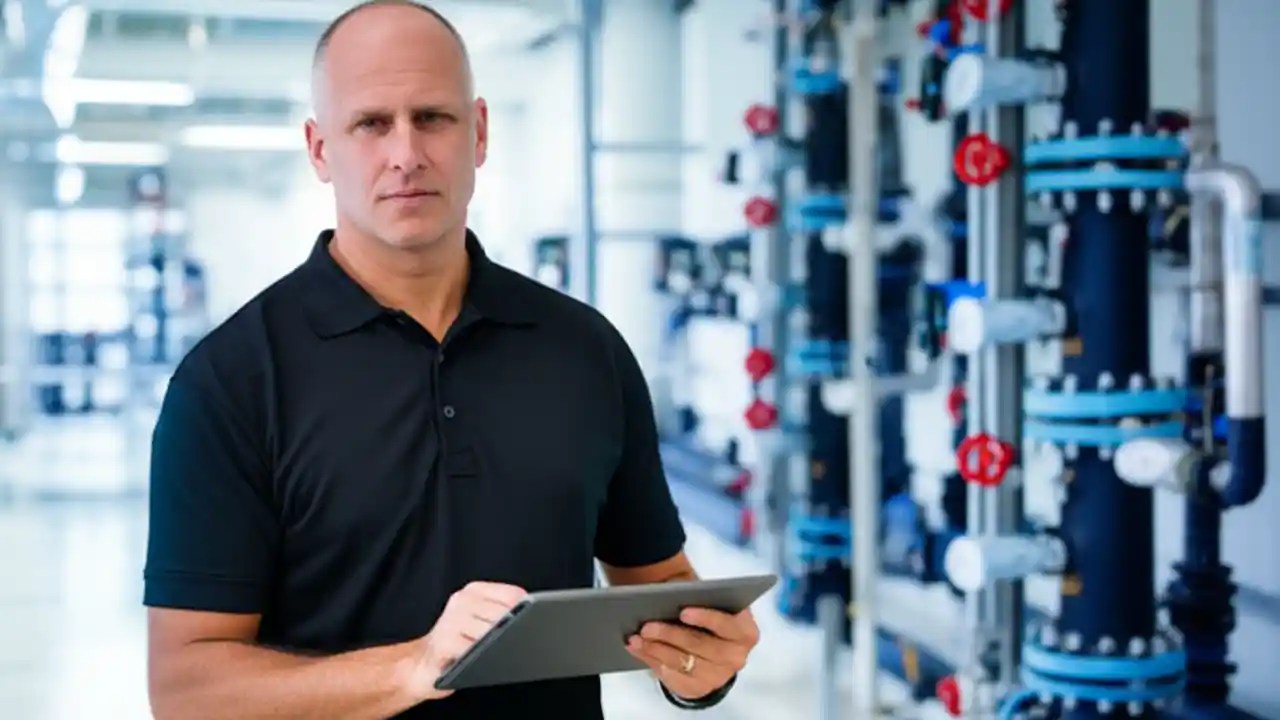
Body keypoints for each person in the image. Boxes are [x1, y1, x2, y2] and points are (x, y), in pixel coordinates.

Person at [141, 1, 761, 718]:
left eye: (432, 117)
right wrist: (413, 668)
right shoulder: (231, 382)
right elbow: (188, 694)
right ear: (319, 150)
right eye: (371, 124)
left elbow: (661, 589)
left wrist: (701, 667)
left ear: (480, 133)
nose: (406, 154)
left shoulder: (584, 351)